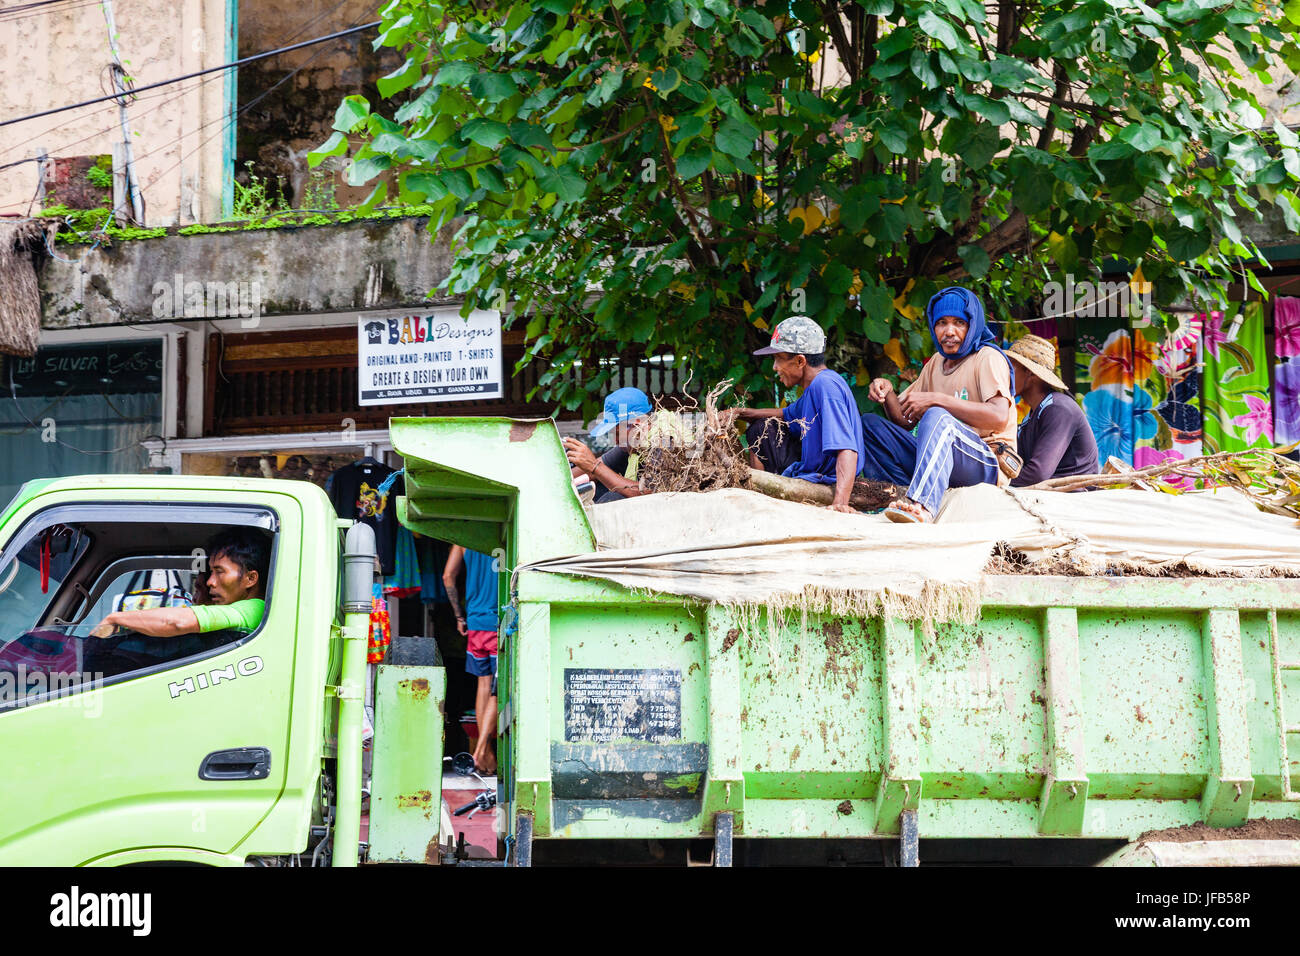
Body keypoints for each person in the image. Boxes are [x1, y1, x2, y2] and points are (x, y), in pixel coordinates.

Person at [862, 286, 1016, 523]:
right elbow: (904, 421)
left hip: (986, 461)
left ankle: (922, 505)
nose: (949, 331)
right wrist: (888, 392)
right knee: (870, 425)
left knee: (937, 416)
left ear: (972, 325)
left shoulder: (988, 358)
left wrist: (938, 400)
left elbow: (998, 416)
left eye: (959, 323)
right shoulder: (937, 362)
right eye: (941, 323)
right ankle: (892, 496)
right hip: (943, 460)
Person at [728, 315, 865, 513]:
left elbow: (847, 449)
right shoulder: (814, 389)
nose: (775, 368)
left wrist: (840, 503)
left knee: (761, 428)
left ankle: (759, 503)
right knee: (761, 427)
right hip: (811, 472)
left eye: (778, 359)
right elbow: (784, 413)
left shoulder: (825, 386)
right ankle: (758, 497)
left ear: (800, 361)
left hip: (826, 480)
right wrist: (738, 413)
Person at [89, 528, 269, 638]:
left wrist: (115, 618)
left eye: (219, 572)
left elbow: (176, 622)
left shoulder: (254, 609)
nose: (210, 582)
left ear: (250, 578)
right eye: (211, 572)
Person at [1004, 334, 1099, 486]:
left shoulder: (1059, 409)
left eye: (1011, 367)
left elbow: (1037, 474)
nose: (1005, 374)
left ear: (1031, 373)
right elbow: (1016, 464)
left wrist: (996, 482)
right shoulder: (1032, 416)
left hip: (1074, 496)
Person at [443, 544, 498, 775]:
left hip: (475, 622)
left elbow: (448, 577)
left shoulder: (463, 540)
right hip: (498, 621)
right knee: (498, 689)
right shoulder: (501, 536)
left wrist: (459, 616)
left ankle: (485, 754)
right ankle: (481, 752)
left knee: (483, 685)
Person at [562, 386, 653, 503]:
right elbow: (590, 470)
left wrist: (594, 466)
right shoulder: (629, 446)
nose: (616, 441)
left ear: (636, 424)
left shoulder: (666, 443)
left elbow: (649, 491)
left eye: (618, 433)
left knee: (613, 498)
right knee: (598, 486)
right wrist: (558, 479)